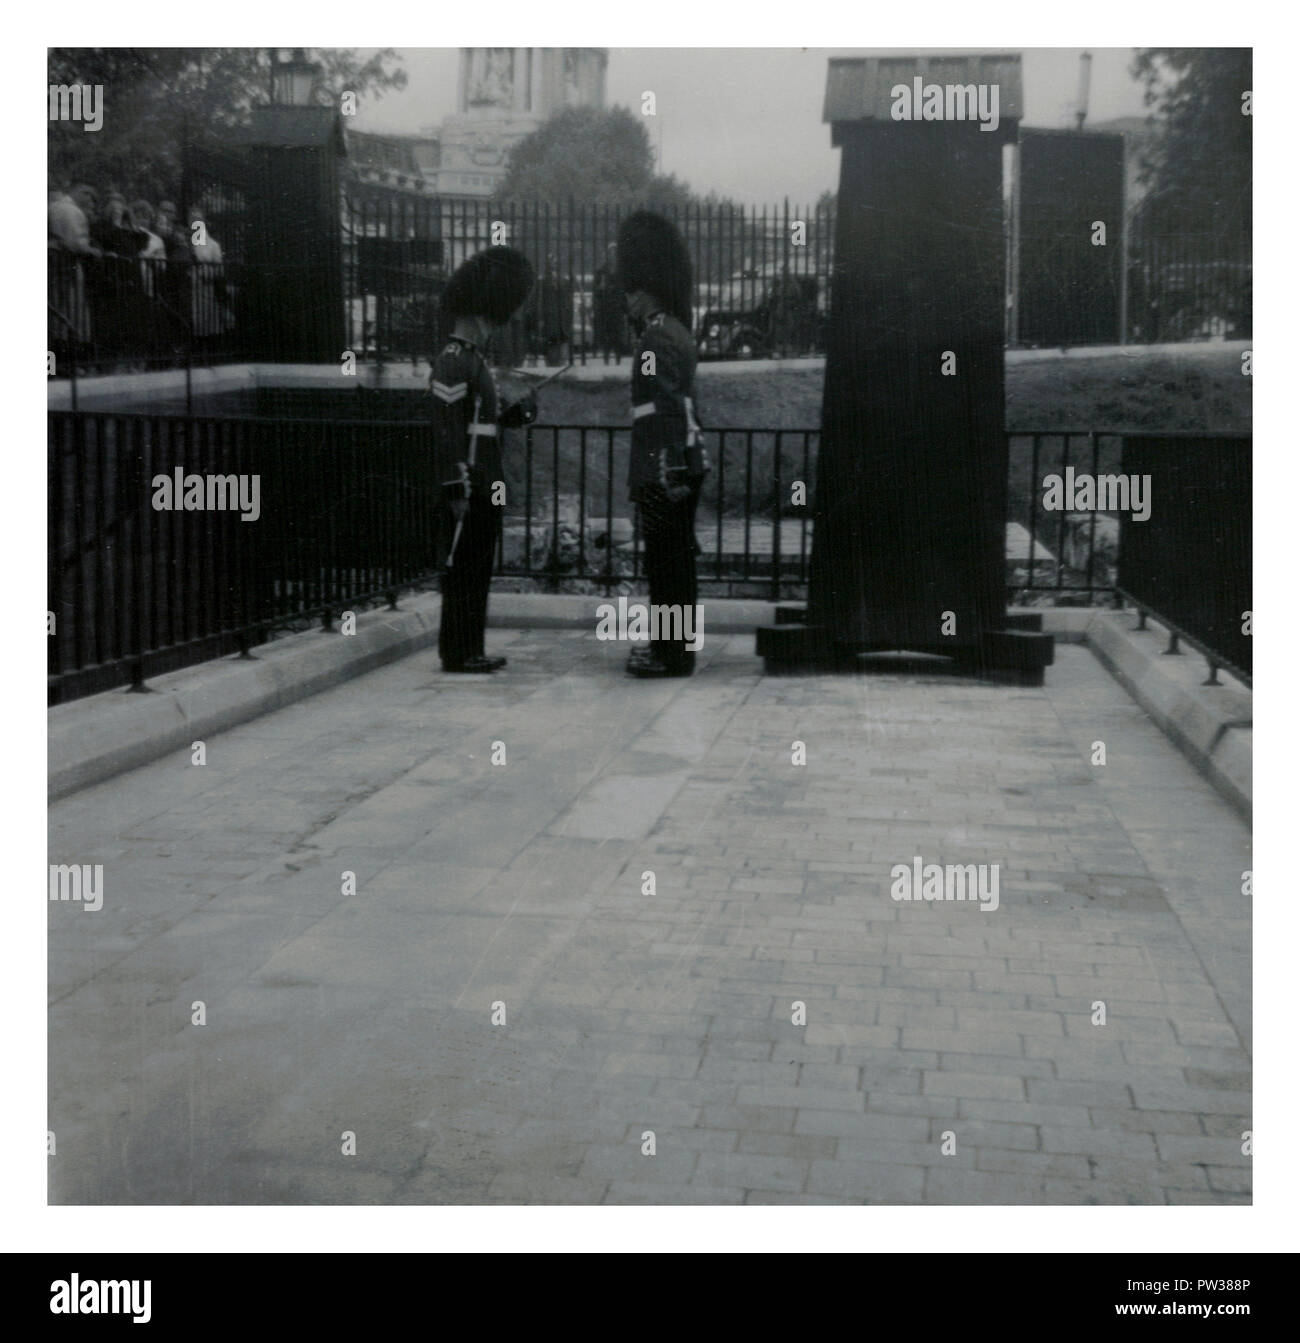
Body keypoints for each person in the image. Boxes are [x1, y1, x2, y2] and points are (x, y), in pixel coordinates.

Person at [430, 246, 537, 673]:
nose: (498, 326)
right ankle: (458, 650)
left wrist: (517, 414)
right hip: (471, 480)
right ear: (478, 313)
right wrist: (455, 483)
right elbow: (447, 429)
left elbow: (481, 423)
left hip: (487, 476)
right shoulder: (454, 361)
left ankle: (469, 646)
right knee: (465, 567)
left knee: (477, 566)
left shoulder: (474, 361)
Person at [618, 211, 710, 678]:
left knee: (667, 565)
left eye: (632, 290)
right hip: (674, 461)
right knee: (675, 563)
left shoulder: (657, 339)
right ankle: (674, 649)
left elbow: (667, 406)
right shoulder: (673, 331)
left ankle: (670, 654)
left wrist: (667, 470)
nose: (627, 299)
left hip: (663, 466)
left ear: (647, 287)